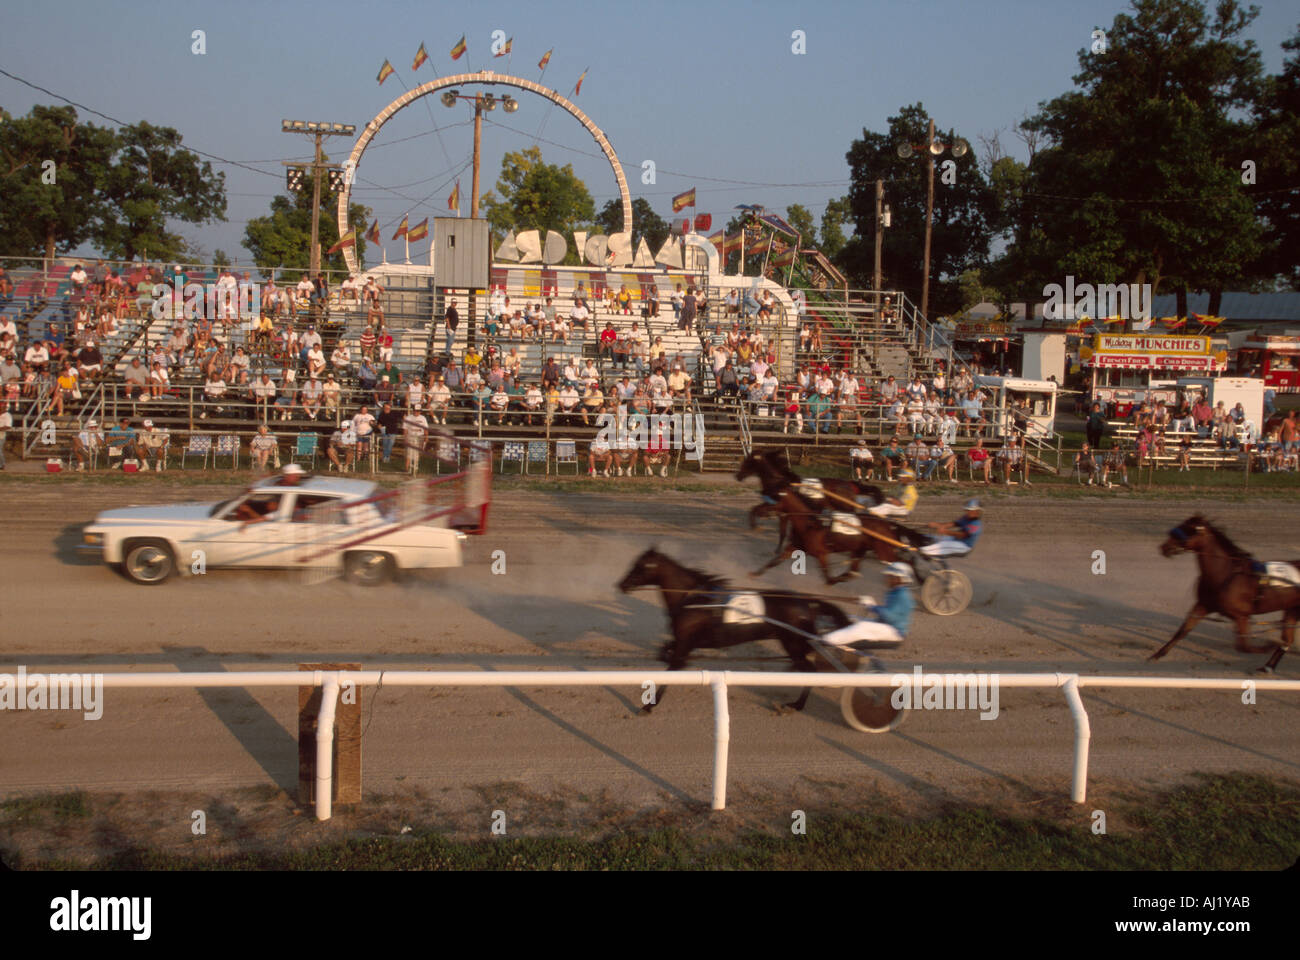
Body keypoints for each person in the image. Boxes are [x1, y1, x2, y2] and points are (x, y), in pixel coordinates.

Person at [820, 563, 914, 648]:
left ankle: (826, 641)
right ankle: (825, 631)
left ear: (899, 578)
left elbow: (890, 617)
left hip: (895, 632)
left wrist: (871, 606)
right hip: (887, 626)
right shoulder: (895, 592)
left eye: (890, 576)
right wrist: (871, 604)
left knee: (863, 626)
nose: (887, 579)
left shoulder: (902, 595)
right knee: (851, 618)